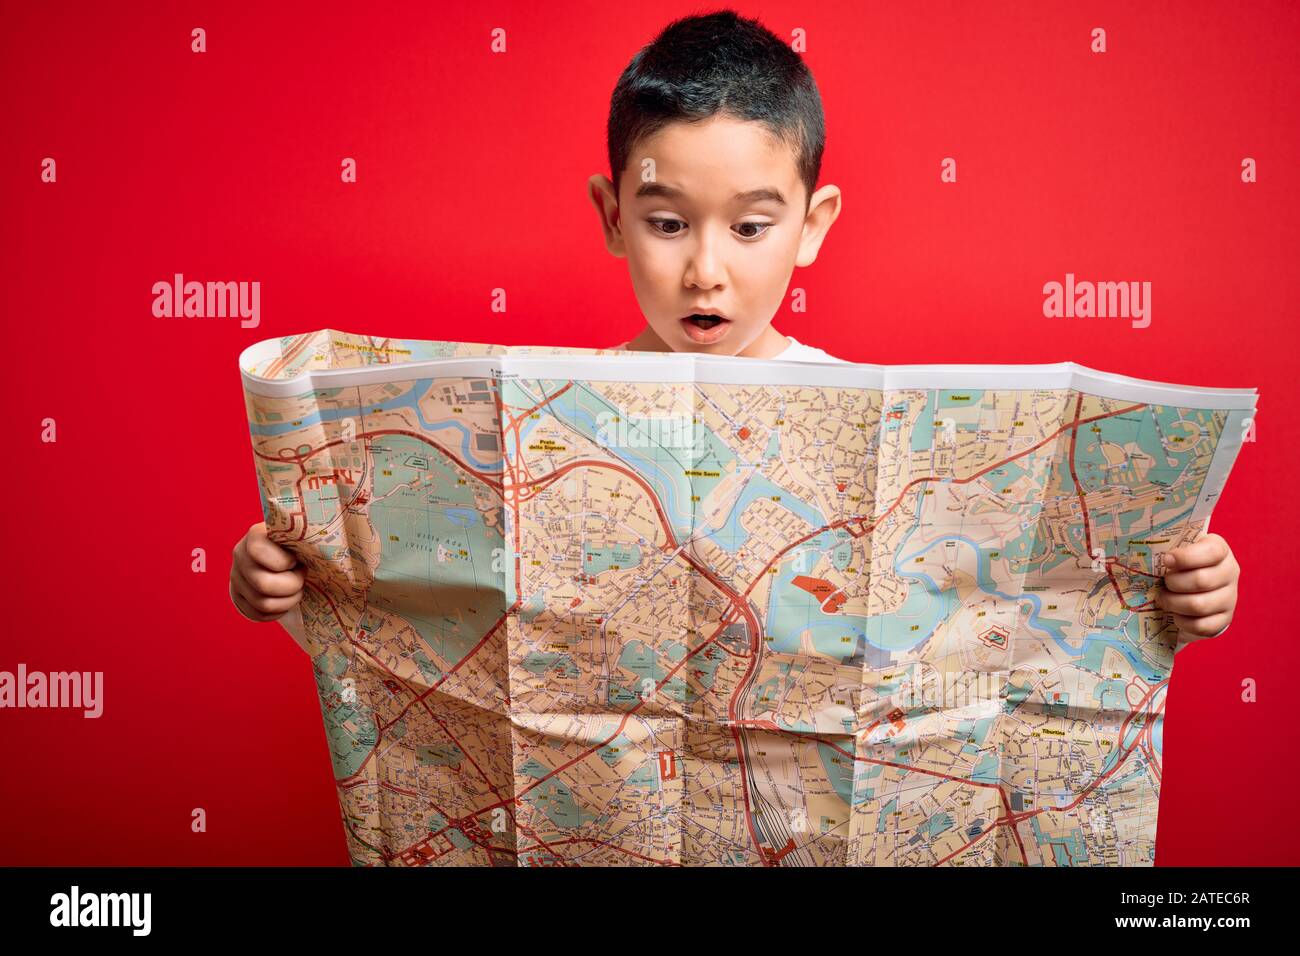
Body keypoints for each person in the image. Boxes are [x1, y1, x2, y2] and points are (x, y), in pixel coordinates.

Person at [230, 9, 1239, 655]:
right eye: (667, 222)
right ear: (610, 216)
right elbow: (432, 601)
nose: (706, 266)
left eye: (751, 226)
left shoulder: (883, 435)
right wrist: (284, 575)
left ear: (813, 226)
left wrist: (1177, 599)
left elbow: (991, 615)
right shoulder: (538, 427)